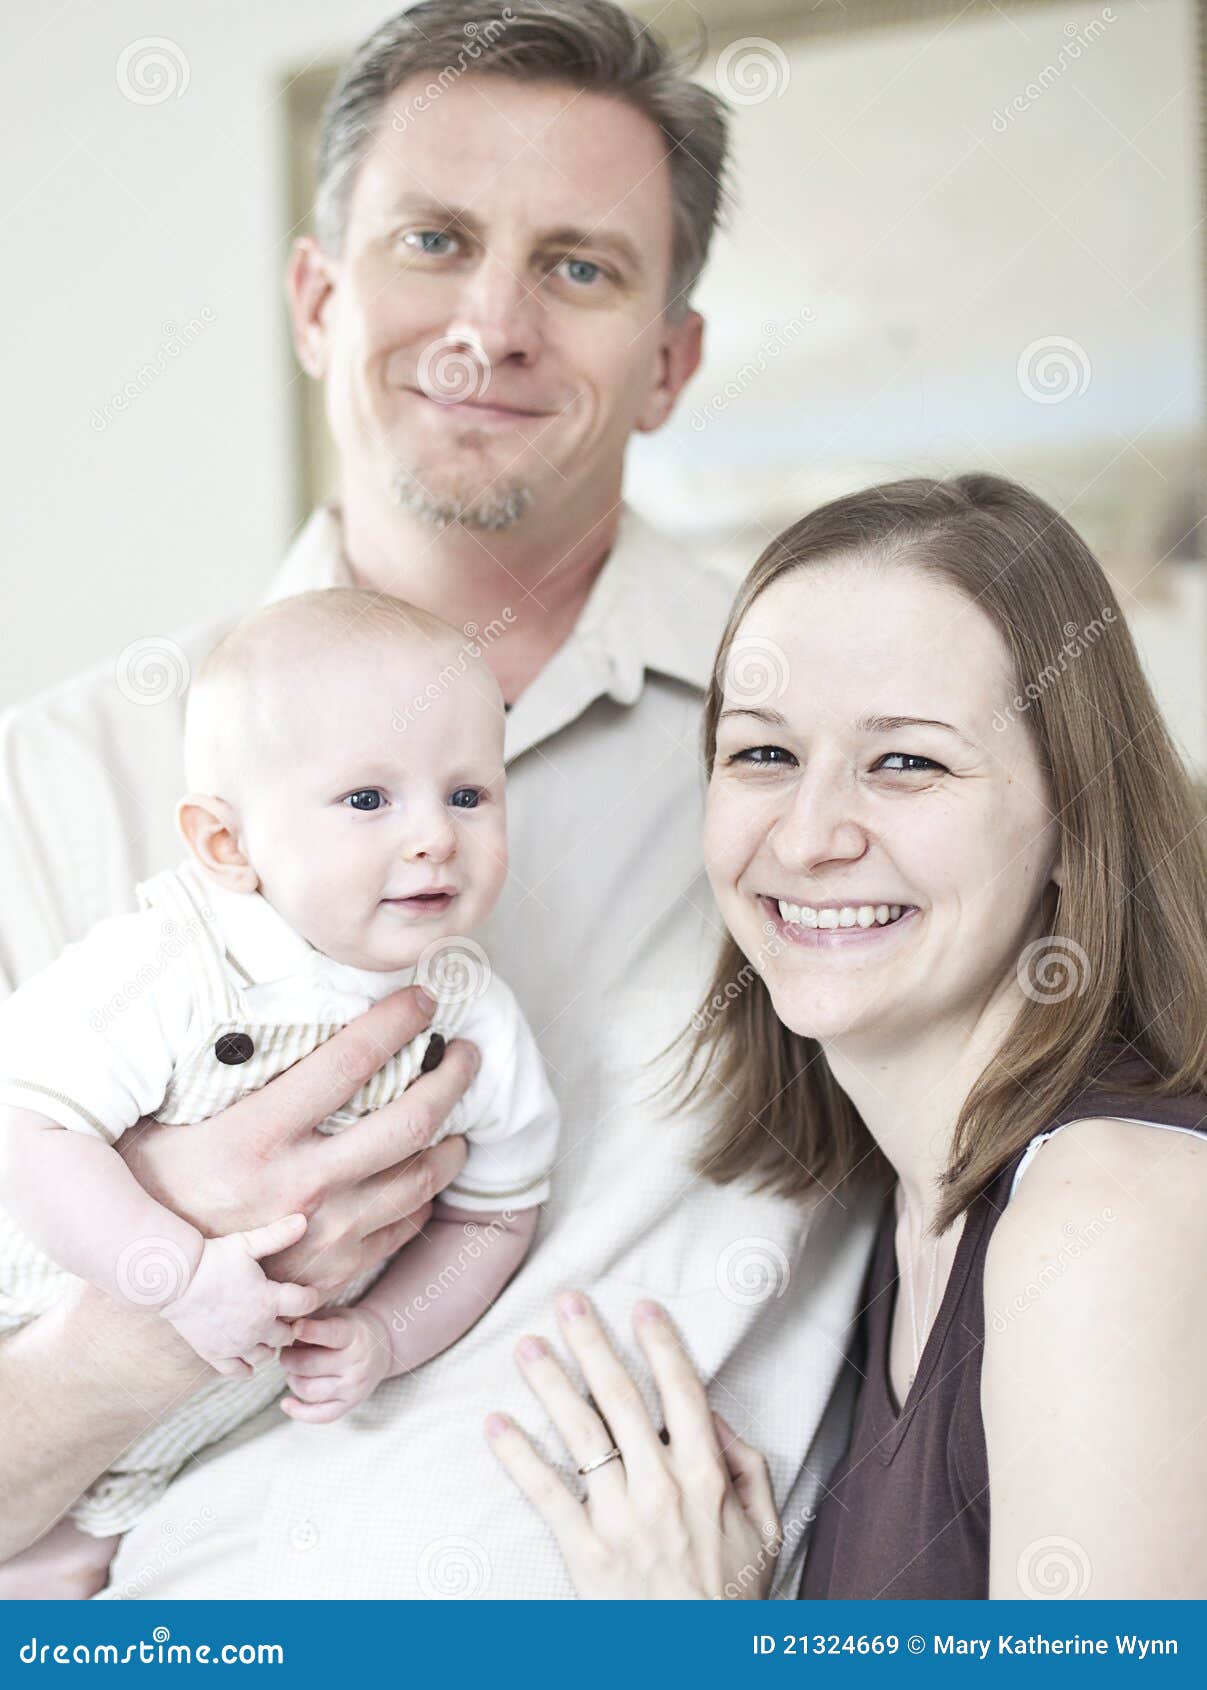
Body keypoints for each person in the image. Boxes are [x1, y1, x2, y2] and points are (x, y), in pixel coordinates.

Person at [0, 2, 875, 1598]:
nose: (492, 320)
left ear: (669, 360)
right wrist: (143, 1318)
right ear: (318, 298)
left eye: (580, 266)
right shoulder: (47, 787)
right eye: (433, 238)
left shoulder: (838, 761)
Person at [485, 473, 1207, 1601]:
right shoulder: (899, 1213)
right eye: (763, 754)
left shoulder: (1102, 1223)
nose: (810, 834)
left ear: (1076, 821)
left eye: (906, 760)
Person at [0, 588, 558, 1595]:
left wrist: (390, 1331)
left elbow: (497, 1217)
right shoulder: (168, 966)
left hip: (190, 1438)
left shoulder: (471, 1016)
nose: (434, 835)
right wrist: (169, 1272)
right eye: (367, 801)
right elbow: (29, 1128)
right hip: (31, 1320)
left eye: (469, 795)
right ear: (227, 844)